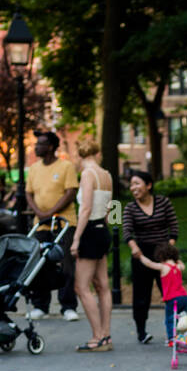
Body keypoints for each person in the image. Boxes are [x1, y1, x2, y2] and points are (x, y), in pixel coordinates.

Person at [26, 130, 81, 320]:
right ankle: (40, 305)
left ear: (50, 147)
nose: (36, 147)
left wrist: (51, 213)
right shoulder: (33, 168)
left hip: (64, 223)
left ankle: (68, 306)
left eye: (39, 144)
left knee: (66, 264)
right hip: (40, 224)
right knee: (39, 264)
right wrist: (39, 213)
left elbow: (71, 192)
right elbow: (28, 193)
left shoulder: (66, 166)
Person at [122, 169, 179, 343]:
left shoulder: (163, 202)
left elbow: (174, 228)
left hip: (163, 253)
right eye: (131, 184)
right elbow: (127, 232)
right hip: (142, 255)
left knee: (172, 293)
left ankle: (177, 329)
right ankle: (141, 332)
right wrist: (134, 248)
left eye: (137, 183)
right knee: (141, 294)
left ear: (148, 185)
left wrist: (168, 251)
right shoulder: (130, 208)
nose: (133, 188)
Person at [71, 137, 114, 351]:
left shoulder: (87, 174)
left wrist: (76, 238)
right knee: (103, 286)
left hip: (89, 230)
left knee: (81, 286)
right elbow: (109, 209)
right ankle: (106, 334)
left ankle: (97, 336)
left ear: (81, 156)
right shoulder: (107, 175)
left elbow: (85, 209)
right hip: (102, 230)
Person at [134, 242, 187, 344]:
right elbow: (183, 265)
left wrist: (141, 257)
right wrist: (177, 259)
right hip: (184, 296)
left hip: (172, 298)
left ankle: (172, 339)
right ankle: (184, 336)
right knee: (183, 318)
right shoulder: (178, 266)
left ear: (160, 256)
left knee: (170, 319)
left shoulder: (163, 267)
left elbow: (150, 264)